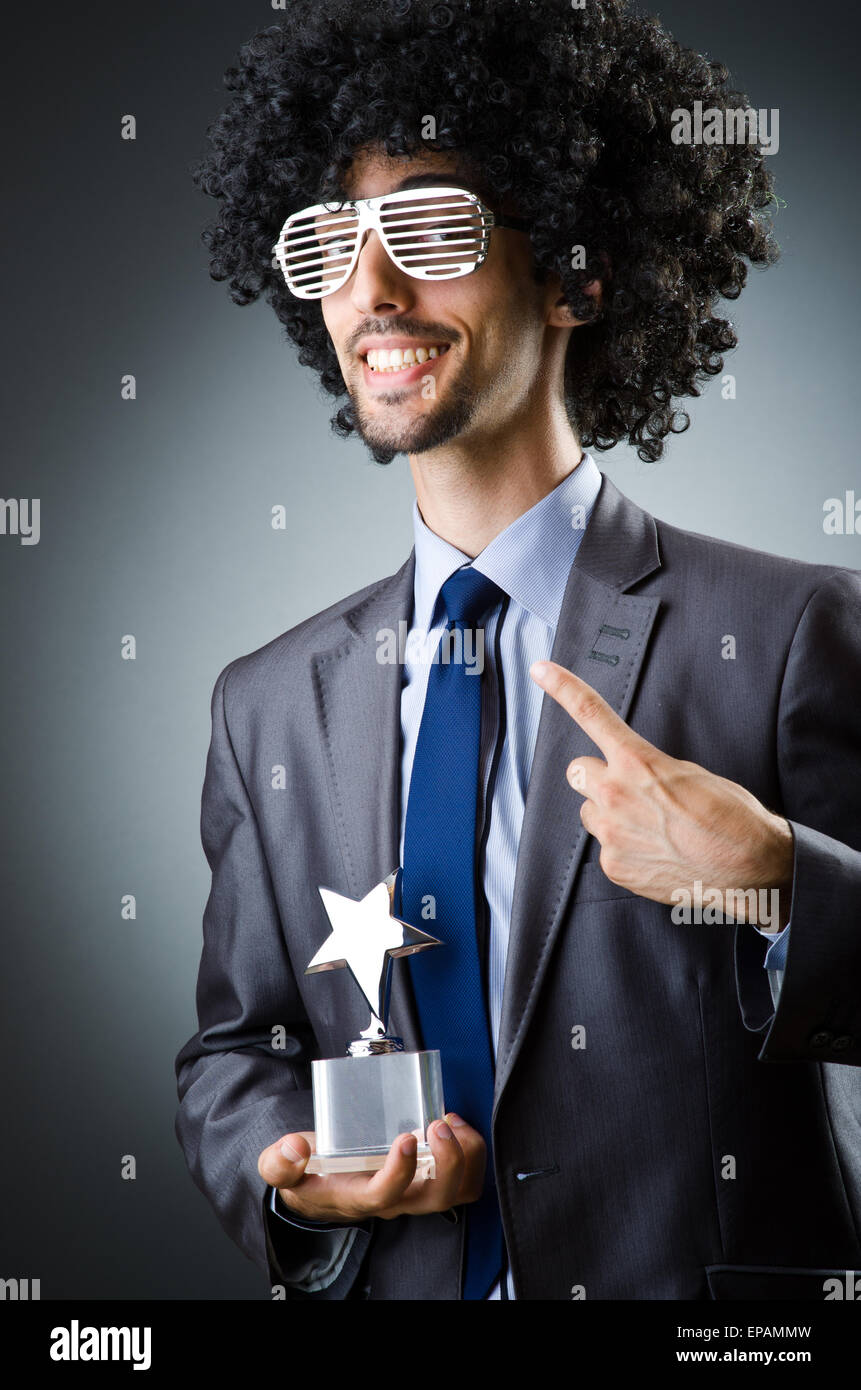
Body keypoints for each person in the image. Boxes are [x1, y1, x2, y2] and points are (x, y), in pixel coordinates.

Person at [174, 0, 861, 1300]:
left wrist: (780, 882)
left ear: (577, 273)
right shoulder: (265, 707)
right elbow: (232, 1048)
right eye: (330, 244)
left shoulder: (789, 635)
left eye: (429, 231)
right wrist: (285, 1165)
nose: (370, 290)